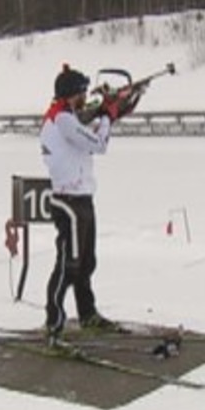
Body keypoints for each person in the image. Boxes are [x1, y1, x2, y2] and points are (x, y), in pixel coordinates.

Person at [40, 64, 132, 342]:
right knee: (69, 263)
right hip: (68, 201)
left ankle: (87, 312)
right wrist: (106, 114)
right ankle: (54, 322)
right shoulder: (63, 120)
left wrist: (116, 107)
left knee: (86, 262)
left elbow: (92, 128)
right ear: (70, 95)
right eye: (81, 92)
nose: (85, 96)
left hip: (82, 197)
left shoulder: (68, 116)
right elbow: (98, 144)